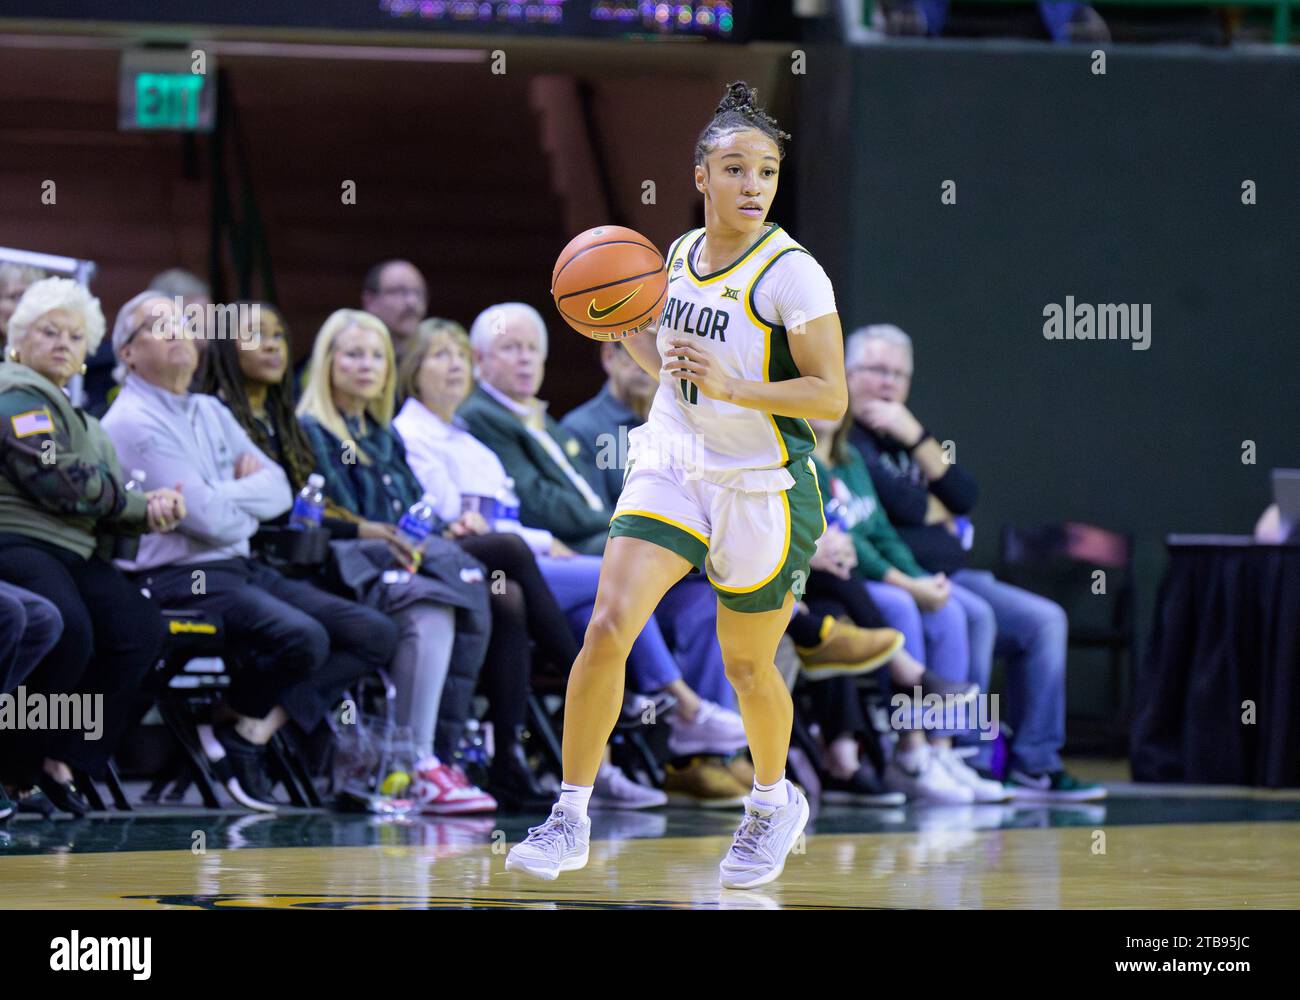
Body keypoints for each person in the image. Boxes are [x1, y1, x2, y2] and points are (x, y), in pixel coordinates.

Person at [506, 82, 844, 888]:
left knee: (748, 669)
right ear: (701, 177)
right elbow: (676, 378)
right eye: (735, 168)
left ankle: (771, 801)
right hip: (672, 461)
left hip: (763, 481)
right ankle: (569, 815)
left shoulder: (794, 276)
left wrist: (736, 388)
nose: (754, 185)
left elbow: (830, 396)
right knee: (608, 624)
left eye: (765, 170)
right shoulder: (674, 262)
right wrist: (629, 334)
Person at [394, 317, 757, 807]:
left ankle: (595, 773)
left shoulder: (469, 435)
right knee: (618, 578)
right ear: (414, 369)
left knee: (601, 613)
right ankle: (680, 705)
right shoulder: (443, 428)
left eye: (458, 356)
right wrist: (565, 537)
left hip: (531, 565)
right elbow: (466, 516)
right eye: (442, 357)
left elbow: (505, 512)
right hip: (478, 565)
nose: (455, 367)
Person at [103, 291, 397, 813]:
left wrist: (218, 495)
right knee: (302, 637)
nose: (180, 335)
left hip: (240, 566)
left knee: (373, 632)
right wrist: (233, 498)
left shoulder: (211, 409)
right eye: (160, 327)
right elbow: (213, 518)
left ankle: (248, 727)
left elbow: (282, 488)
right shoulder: (129, 421)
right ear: (127, 352)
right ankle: (236, 723)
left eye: (184, 325)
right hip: (176, 575)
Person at [846, 323, 1104, 801]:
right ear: (846, 371)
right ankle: (967, 754)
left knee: (1046, 620)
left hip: (956, 570)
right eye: (877, 370)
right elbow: (901, 508)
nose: (889, 384)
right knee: (974, 615)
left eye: (900, 375)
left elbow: (964, 495)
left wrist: (918, 436)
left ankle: (1035, 766)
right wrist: (933, 508)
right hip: (910, 576)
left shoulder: (905, 432)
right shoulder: (845, 440)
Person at [297, 308, 522, 812]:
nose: (366, 365)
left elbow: (414, 510)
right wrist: (375, 531)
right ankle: (420, 760)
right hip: (344, 568)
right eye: (353, 354)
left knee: (460, 589)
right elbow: (316, 513)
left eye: (377, 356)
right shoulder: (310, 429)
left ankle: (427, 758)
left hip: (403, 567)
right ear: (326, 361)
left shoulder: (382, 435)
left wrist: (442, 531)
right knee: (449, 597)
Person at [0, 277, 177, 817]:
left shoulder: (82, 417)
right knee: (68, 628)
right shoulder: (15, 391)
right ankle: (14, 762)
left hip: (74, 551)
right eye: (48, 331)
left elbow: (99, 494)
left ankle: (65, 754)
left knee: (140, 631)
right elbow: (57, 476)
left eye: (76, 337)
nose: (62, 343)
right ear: (18, 339)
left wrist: (149, 510)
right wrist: (138, 504)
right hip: (17, 540)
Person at [810, 412, 1003, 803]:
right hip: (847, 580)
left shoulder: (851, 461)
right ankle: (910, 753)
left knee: (947, 607)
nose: (822, 403)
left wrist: (919, 577)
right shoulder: (799, 462)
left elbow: (880, 530)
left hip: (874, 576)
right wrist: (908, 584)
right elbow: (851, 547)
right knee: (901, 605)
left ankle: (942, 751)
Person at [360, 259, 428, 367]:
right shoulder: (359, 362)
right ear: (370, 301)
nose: (412, 301)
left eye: (418, 292)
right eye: (398, 291)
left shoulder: (431, 362)